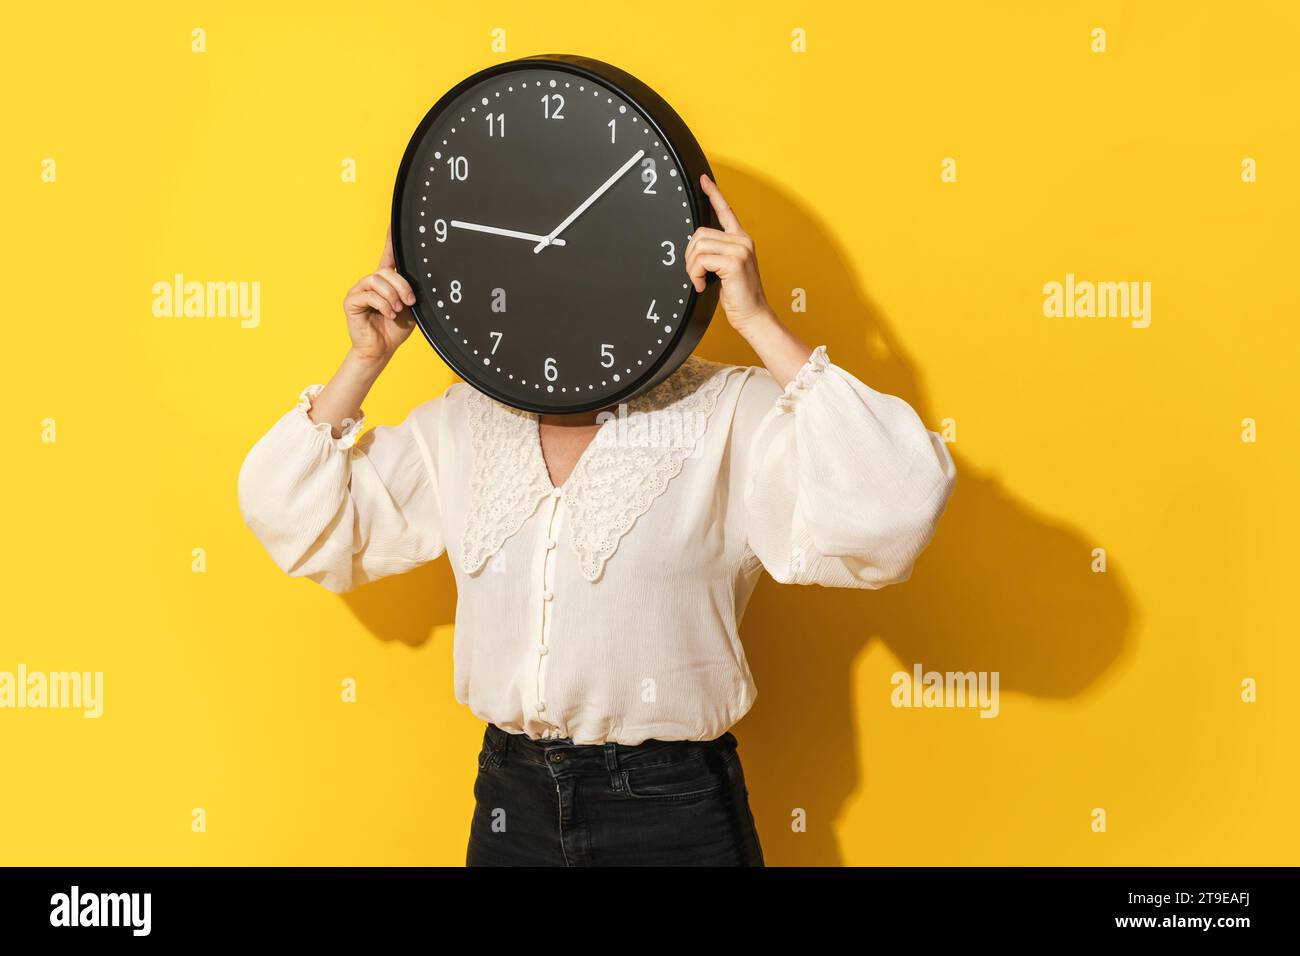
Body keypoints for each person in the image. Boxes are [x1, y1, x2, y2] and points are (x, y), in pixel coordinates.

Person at [237, 173, 957, 866]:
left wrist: (759, 322)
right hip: (508, 804)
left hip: (673, 813)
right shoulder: (463, 422)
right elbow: (298, 521)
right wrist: (364, 362)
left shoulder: (727, 412)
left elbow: (896, 502)